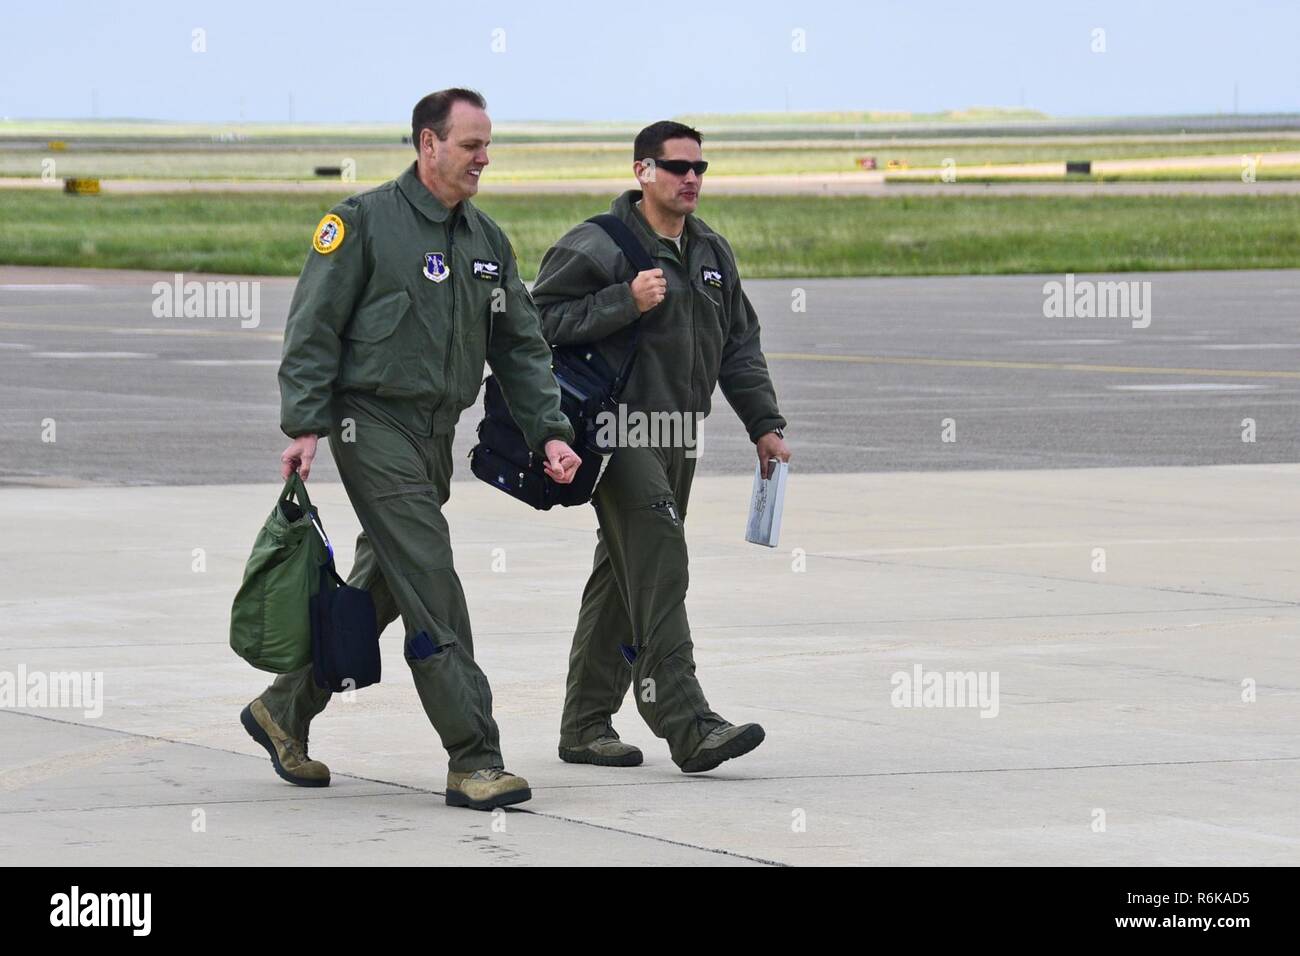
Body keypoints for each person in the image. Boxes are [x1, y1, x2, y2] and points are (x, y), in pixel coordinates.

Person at [242, 88, 581, 811]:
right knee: (433, 580)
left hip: (434, 436)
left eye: (488, 145)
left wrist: (549, 430)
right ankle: (474, 756)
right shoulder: (361, 223)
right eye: (470, 145)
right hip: (370, 425)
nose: (483, 158)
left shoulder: (487, 242)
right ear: (428, 145)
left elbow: (520, 346)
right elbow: (313, 328)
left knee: (386, 581)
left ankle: (284, 708)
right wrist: (305, 423)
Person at [532, 120, 791, 773]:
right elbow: (536, 326)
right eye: (678, 167)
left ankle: (586, 725)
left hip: (679, 435)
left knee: (624, 577)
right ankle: (687, 721)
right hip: (615, 431)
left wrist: (764, 423)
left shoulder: (709, 251)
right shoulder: (599, 245)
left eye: (700, 168)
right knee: (659, 561)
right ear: (644, 171)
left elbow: (739, 345)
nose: (692, 179)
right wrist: (622, 301)